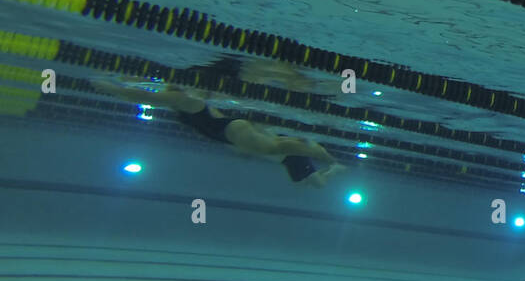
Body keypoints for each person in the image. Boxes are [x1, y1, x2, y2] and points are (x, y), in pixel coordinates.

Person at [94, 78, 342, 187]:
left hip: (232, 130)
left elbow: (145, 96)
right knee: (283, 154)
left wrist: (113, 89)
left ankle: (325, 155)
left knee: (278, 148)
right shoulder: (185, 103)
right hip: (231, 132)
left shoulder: (185, 100)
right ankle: (322, 156)